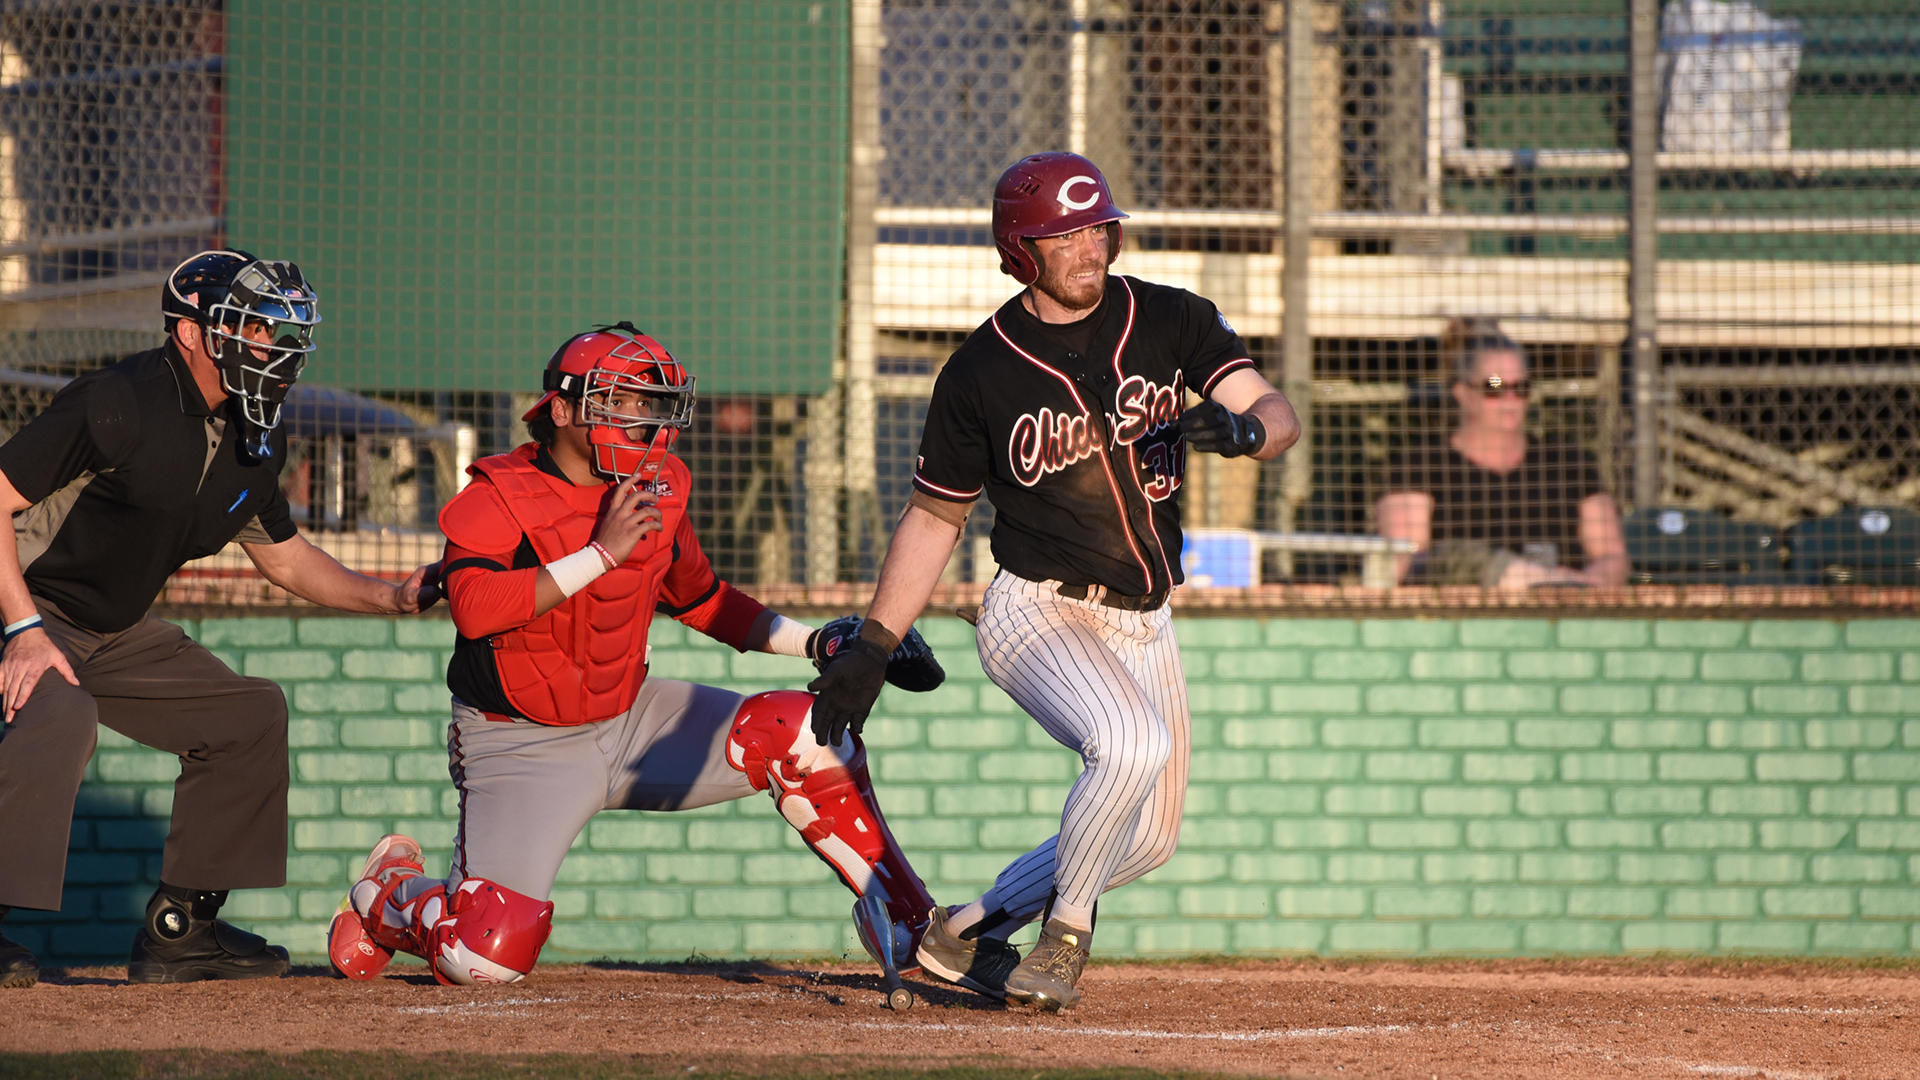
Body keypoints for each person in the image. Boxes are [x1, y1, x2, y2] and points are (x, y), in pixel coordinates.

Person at [806, 152, 1300, 1012]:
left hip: (1147, 619)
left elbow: (1277, 411)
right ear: (1018, 249)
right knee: (1131, 744)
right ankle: (1066, 937)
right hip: (1037, 612)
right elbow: (933, 519)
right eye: (1062, 234)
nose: (1087, 247)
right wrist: (876, 646)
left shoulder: (1170, 317)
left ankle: (954, 931)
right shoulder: (979, 373)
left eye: (1096, 227)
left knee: (1143, 840)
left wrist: (1244, 431)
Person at [325, 323, 944, 986]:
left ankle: (917, 929)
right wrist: (600, 554)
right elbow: (473, 608)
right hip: (520, 743)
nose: (645, 424)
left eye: (652, 406)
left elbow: (700, 596)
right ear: (561, 410)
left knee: (812, 734)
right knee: (482, 958)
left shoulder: (662, 483)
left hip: (631, 716)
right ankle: (391, 896)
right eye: (622, 403)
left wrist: (813, 641)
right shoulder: (497, 492)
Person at [0, 250, 440, 988]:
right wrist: (23, 632)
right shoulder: (117, 401)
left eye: (283, 332)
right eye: (256, 328)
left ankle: (183, 930)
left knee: (249, 714)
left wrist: (392, 596)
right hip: (21, 606)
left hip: (108, 629)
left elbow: (288, 558)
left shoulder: (251, 434)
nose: (277, 347)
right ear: (193, 334)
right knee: (61, 710)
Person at [1376, 318, 1629, 589]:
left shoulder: (1568, 464)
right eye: (1494, 387)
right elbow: (1408, 561)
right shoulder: (1422, 465)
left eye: (1520, 387)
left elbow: (1612, 556)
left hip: (1561, 608)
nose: (1510, 400)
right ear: (1462, 392)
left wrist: (1589, 582)